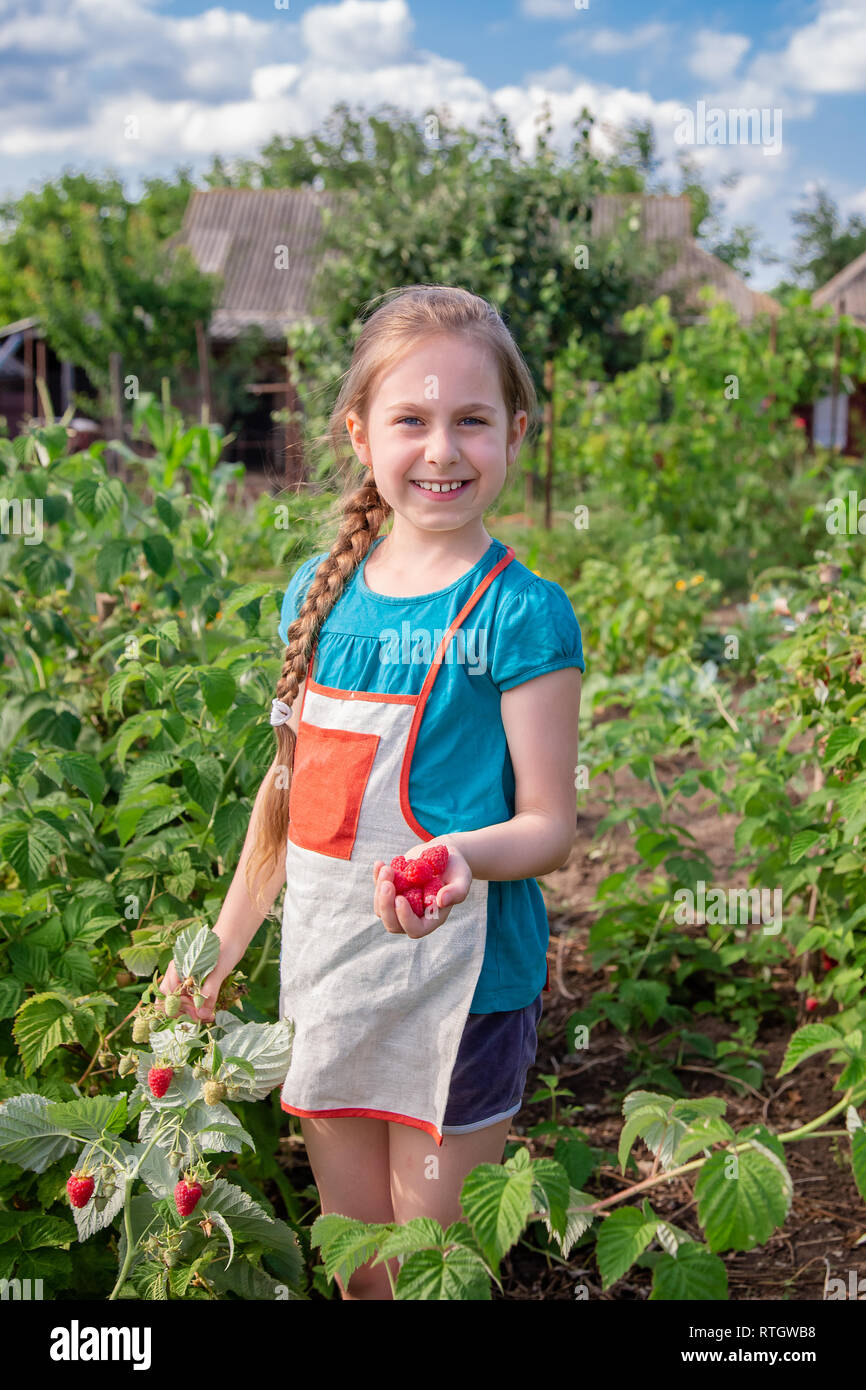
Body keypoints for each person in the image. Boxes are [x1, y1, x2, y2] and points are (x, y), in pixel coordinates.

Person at [161, 284, 584, 1299]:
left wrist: (459, 855)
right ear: (359, 434)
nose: (440, 450)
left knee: (430, 1263)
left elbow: (549, 828)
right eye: (410, 420)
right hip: (330, 970)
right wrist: (215, 953)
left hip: (463, 985)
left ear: (514, 433)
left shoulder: (521, 613)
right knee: (355, 1263)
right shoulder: (320, 590)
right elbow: (286, 806)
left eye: (471, 420)